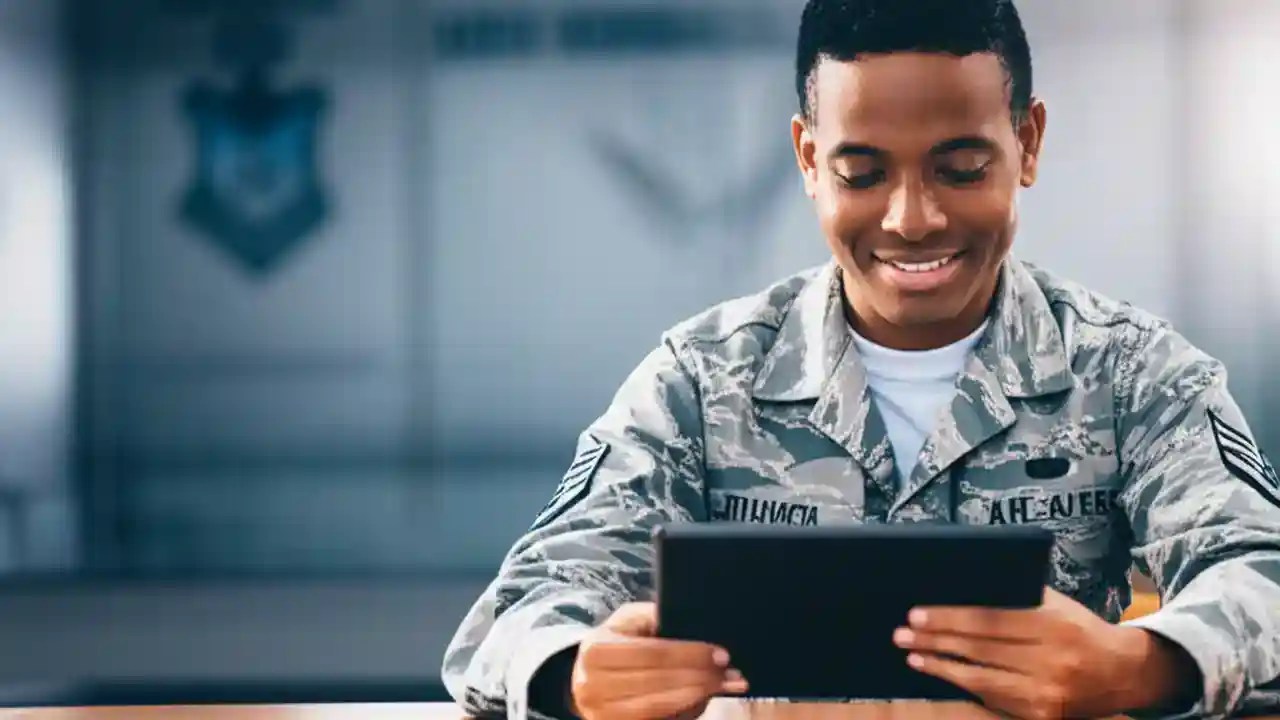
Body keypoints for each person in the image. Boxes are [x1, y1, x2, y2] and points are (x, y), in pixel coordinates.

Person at [442, 0, 1280, 718]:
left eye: (961, 169)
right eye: (862, 173)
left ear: (1027, 143)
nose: (911, 219)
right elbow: (513, 618)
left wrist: (1139, 667)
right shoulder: (699, 382)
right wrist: (574, 674)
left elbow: (1262, 570)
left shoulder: (1131, 375)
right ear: (809, 159)